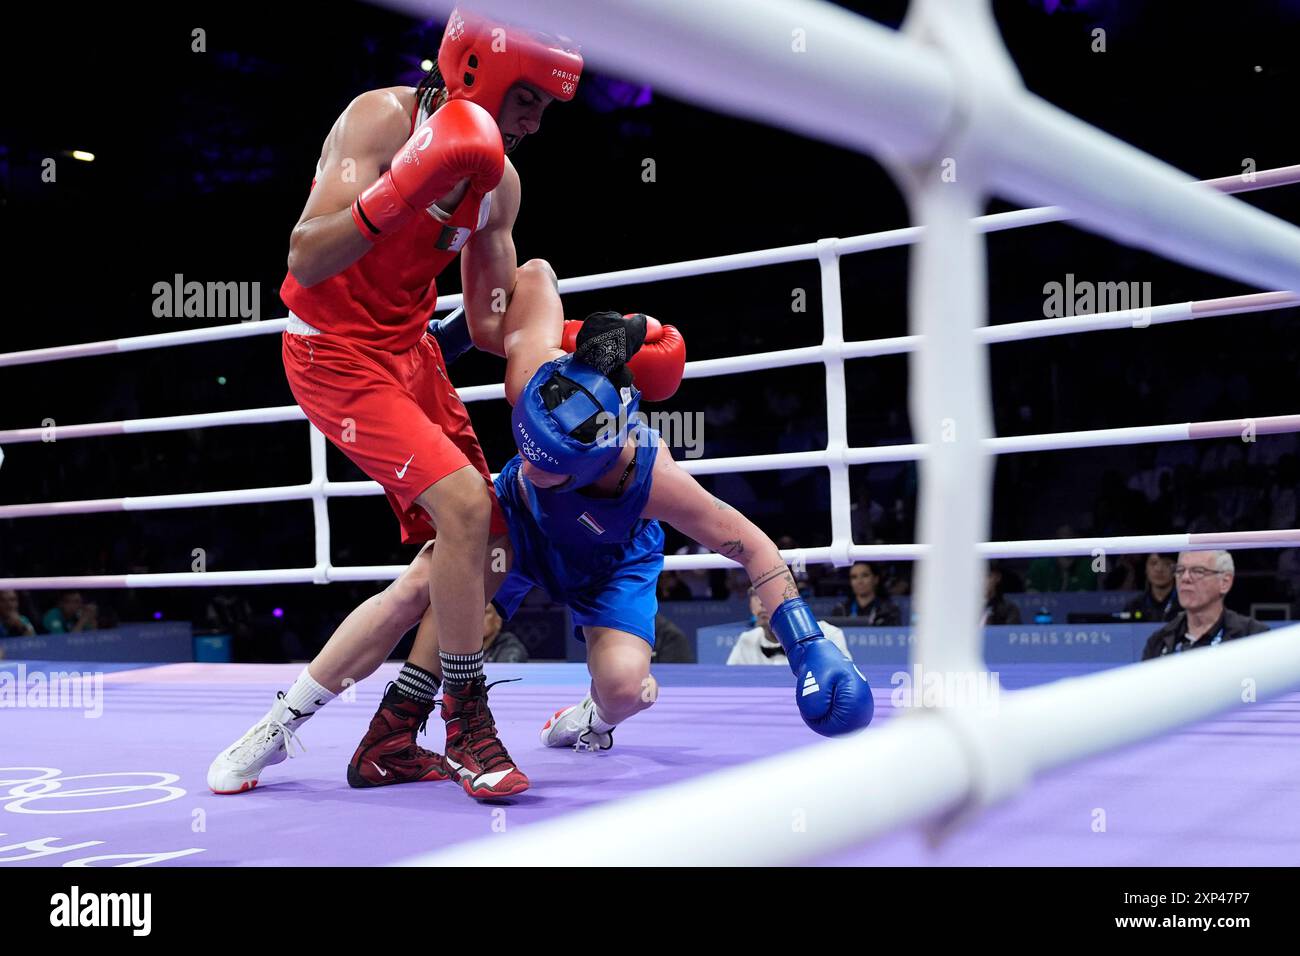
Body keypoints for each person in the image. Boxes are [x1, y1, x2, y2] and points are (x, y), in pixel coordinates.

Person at [208, 9, 583, 801]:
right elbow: (305, 258)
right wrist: (404, 185)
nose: (534, 125)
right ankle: (466, 719)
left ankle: (362, 734)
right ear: (477, 71)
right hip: (329, 351)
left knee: (487, 545)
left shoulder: (499, 183)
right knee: (467, 508)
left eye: (545, 110)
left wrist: (589, 337)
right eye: (527, 102)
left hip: (408, 353)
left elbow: (487, 325)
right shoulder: (381, 118)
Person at [490, 262, 871, 747]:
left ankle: (597, 721)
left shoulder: (655, 477)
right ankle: (404, 723)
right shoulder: (535, 376)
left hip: (609, 564)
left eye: (551, 460)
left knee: (626, 688)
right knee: (425, 599)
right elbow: (536, 273)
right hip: (519, 526)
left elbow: (754, 548)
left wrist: (806, 643)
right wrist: (462, 331)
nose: (533, 463)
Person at [1141, 550, 1268, 659]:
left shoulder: (1253, 637)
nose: (1185, 578)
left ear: (1225, 582)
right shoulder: (1159, 642)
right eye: (1180, 570)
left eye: (1197, 571)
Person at [728, 588, 848, 666]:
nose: (761, 602)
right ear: (751, 606)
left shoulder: (828, 635)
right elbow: (728, 684)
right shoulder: (746, 640)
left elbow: (847, 684)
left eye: (767, 593)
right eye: (756, 595)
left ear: (792, 599)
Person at [832, 561, 902, 625]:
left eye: (865, 575)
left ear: (876, 579)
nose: (859, 581)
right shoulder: (841, 610)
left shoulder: (889, 610)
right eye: (854, 577)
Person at [1124, 552, 1181, 622]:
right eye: (1153, 563)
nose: (1159, 569)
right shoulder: (1134, 606)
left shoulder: (1185, 604)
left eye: (1167, 564)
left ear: (1176, 569)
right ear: (1145, 568)